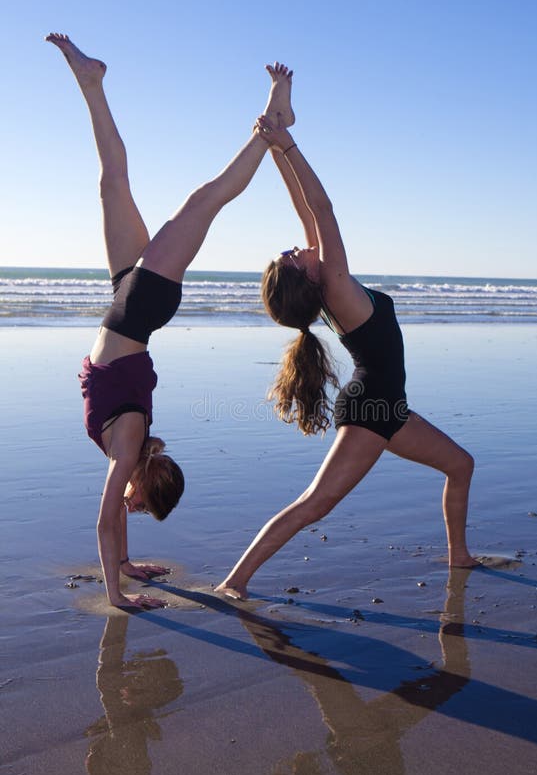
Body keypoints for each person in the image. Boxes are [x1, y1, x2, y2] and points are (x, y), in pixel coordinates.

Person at [46, 33, 293, 609]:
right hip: (140, 308)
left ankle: (92, 83)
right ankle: (273, 125)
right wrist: (119, 595)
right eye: (141, 504)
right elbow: (106, 520)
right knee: (207, 199)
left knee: (112, 180)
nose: (130, 507)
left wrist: (127, 566)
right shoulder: (130, 447)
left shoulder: (128, 455)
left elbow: (114, 516)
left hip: (126, 305)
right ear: (147, 484)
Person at [216, 112, 478, 600]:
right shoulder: (334, 282)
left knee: (461, 465)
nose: (297, 248)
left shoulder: (326, 283)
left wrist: (274, 148)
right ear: (306, 277)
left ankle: (459, 555)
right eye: (292, 256)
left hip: (389, 408)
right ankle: (234, 581)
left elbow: (305, 208)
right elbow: (323, 207)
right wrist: (288, 146)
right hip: (369, 411)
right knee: (315, 503)